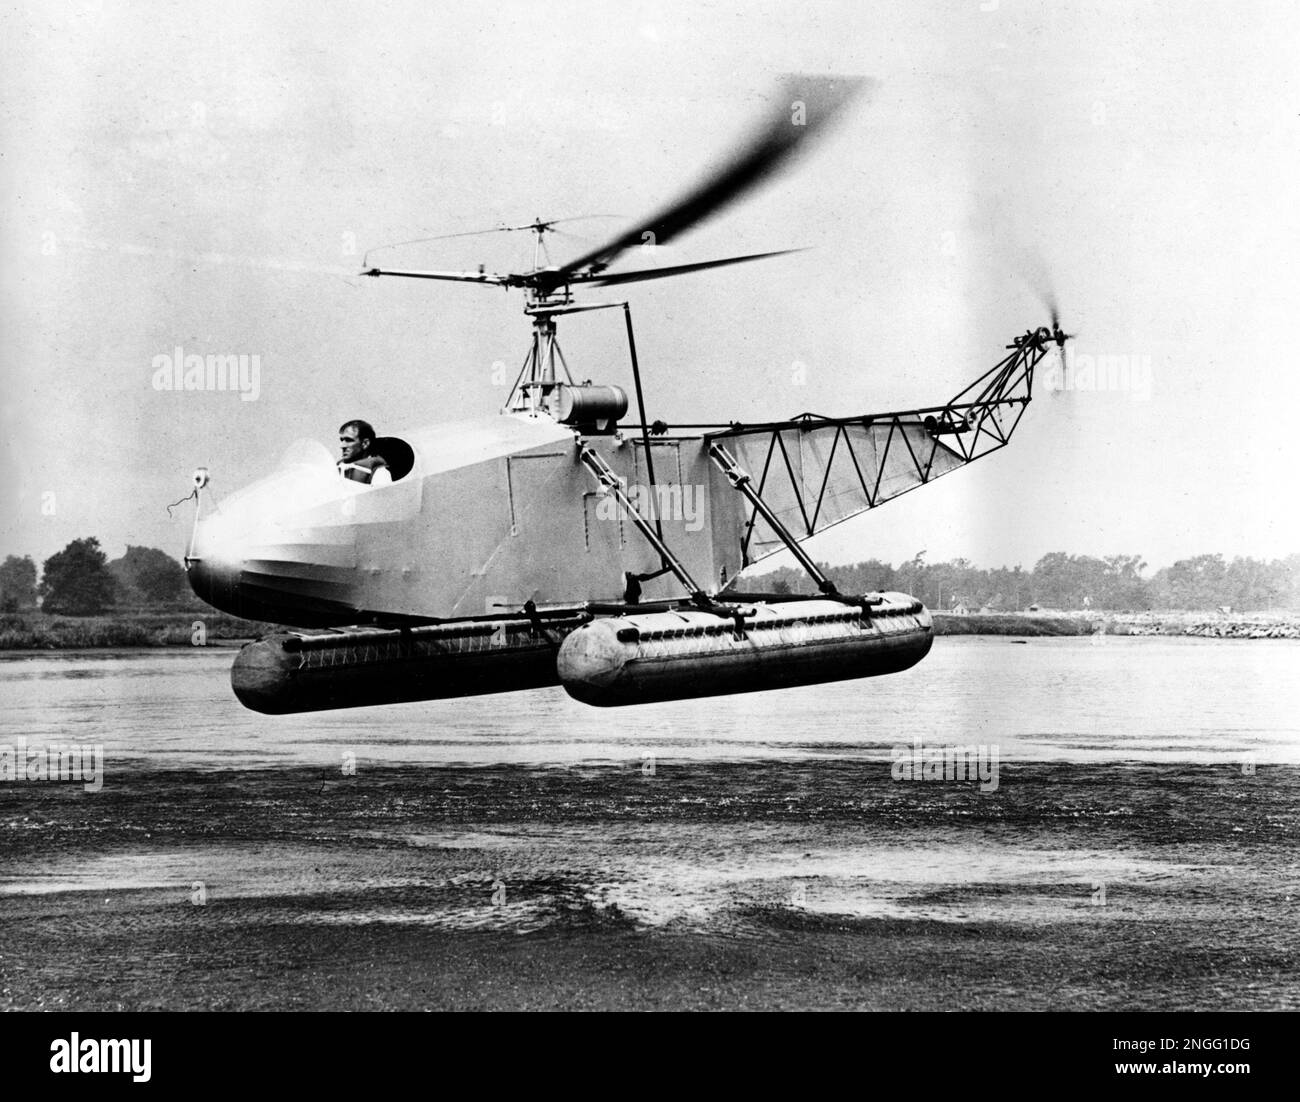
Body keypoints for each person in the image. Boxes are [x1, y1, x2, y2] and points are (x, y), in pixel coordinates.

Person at [337, 420, 391, 485]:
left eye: (349, 440)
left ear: (365, 443)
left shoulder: (379, 474)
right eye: (342, 440)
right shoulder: (336, 470)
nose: (342, 446)